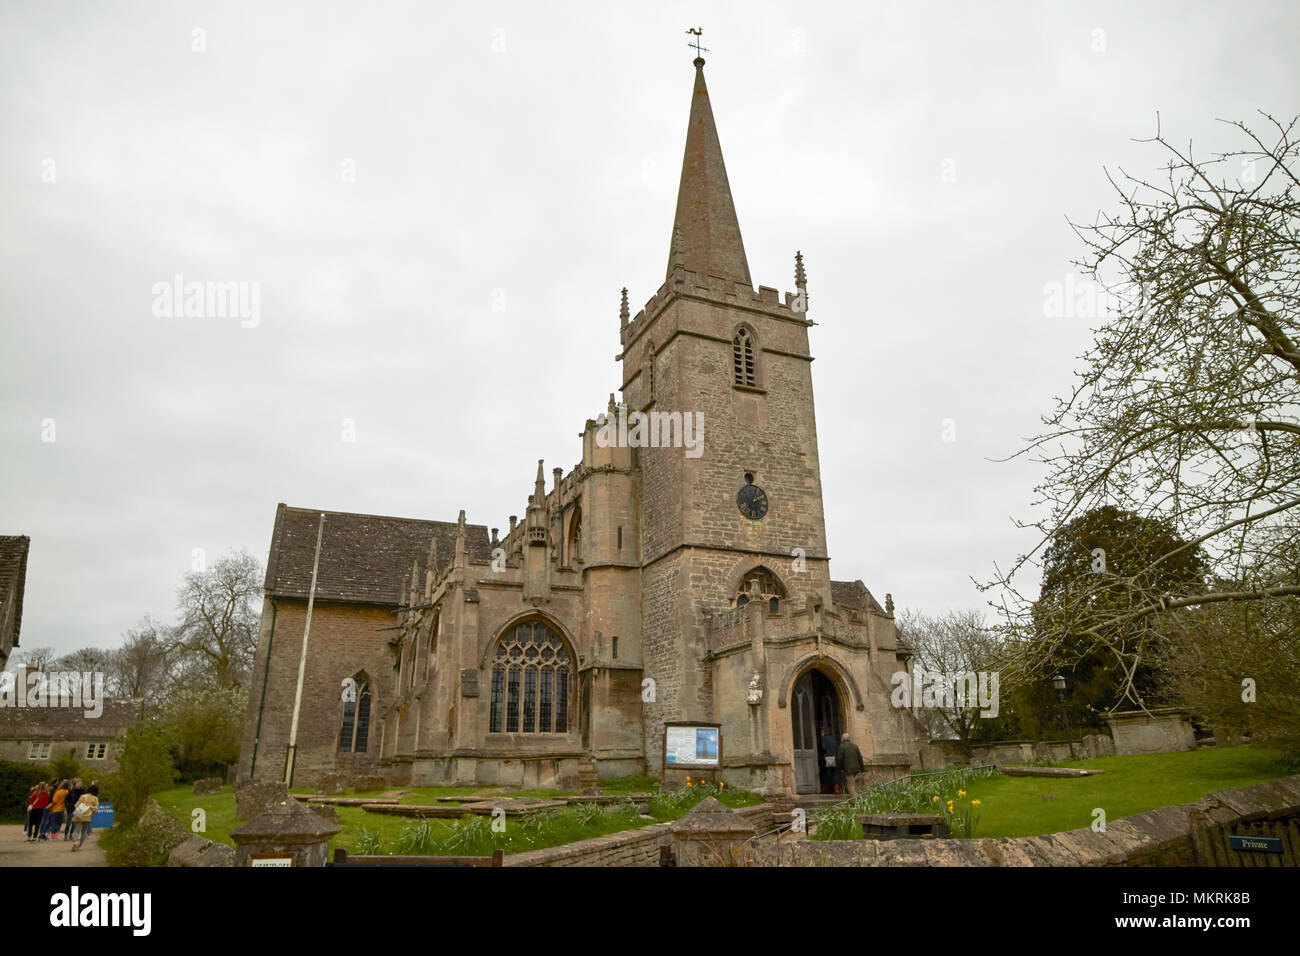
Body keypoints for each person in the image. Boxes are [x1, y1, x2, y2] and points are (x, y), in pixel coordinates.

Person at [69, 784, 99, 852]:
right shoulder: (95, 798)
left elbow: (76, 805)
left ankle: (75, 843)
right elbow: (96, 809)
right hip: (87, 816)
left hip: (79, 815)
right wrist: (91, 813)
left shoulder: (83, 796)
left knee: (76, 830)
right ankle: (79, 846)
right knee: (84, 831)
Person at [835, 731, 866, 798]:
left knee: (850, 785)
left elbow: (839, 759)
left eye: (841, 738)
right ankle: (860, 800)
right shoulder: (855, 746)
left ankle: (855, 801)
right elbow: (860, 758)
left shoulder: (842, 746)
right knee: (857, 786)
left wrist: (840, 768)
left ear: (843, 739)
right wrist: (862, 769)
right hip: (857, 769)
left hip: (848, 770)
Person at [819, 726, 840, 794]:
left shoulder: (824, 738)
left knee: (825, 773)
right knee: (834, 773)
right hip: (835, 757)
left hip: (828, 757)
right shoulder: (833, 739)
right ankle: (836, 788)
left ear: (823, 732)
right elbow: (837, 748)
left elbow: (823, 747)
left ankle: (826, 789)